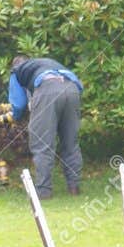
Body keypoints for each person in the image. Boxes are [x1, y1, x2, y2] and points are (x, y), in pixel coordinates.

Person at [9, 54, 83, 198]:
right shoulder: (45, 64)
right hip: (73, 89)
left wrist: (15, 116)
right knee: (70, 142)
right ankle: (74, 188)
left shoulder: (17, 71)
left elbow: (18, 103)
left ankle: (44, 192)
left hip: (47, 90)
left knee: (42, 144)